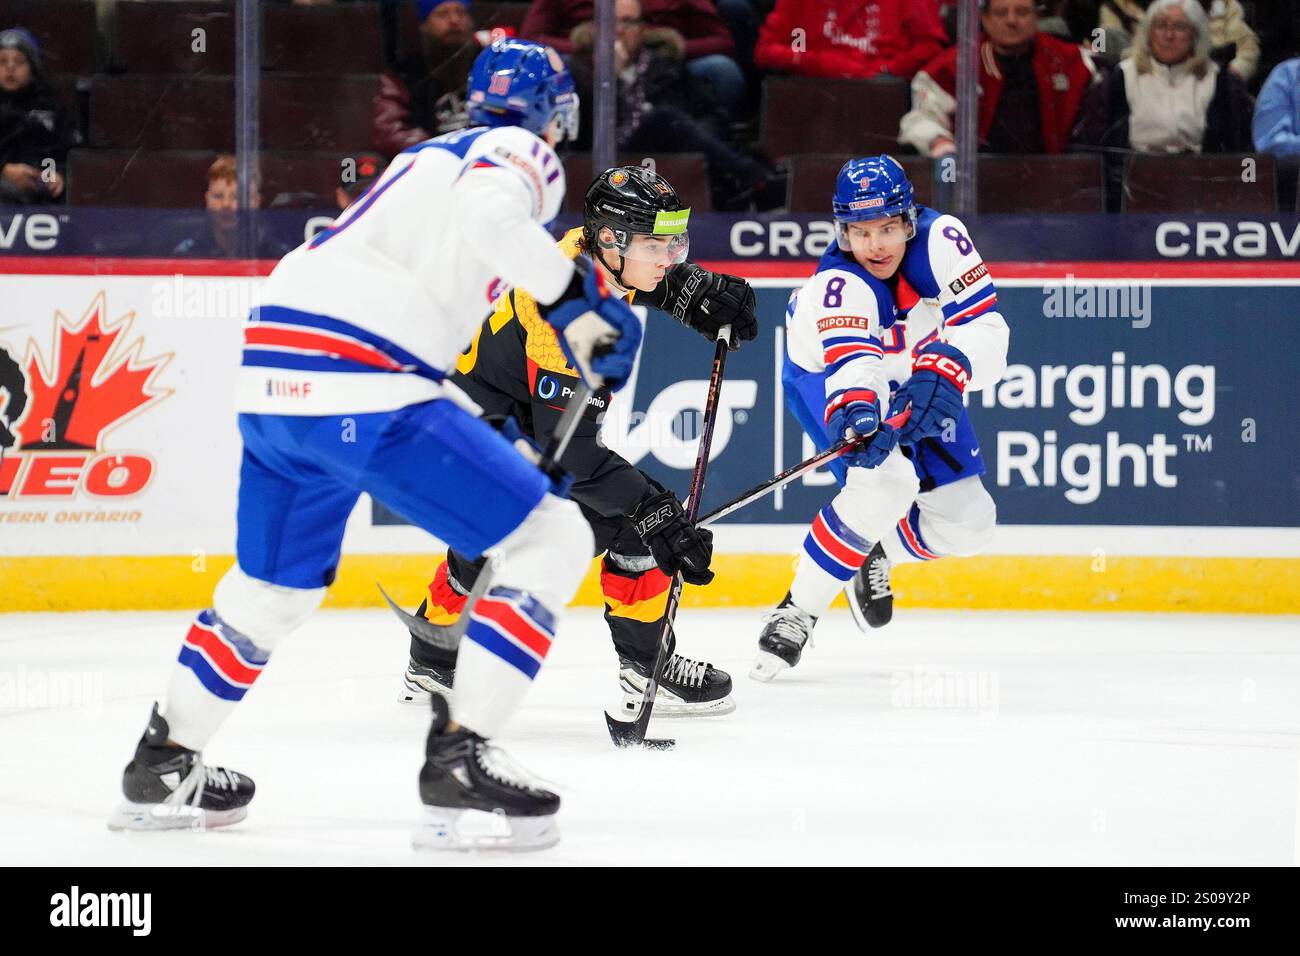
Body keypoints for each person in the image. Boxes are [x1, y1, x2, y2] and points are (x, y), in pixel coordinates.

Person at [109, 39, 649, 853]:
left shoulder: (420, 159)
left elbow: (432, 282)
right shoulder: (518, 151)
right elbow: (489, 218)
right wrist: (575, 301)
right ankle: (460, 761)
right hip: (361, 379)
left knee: (271, 591)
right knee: (553, 535)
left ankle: (163, 761)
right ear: (555, 113)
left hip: (272, 384)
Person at [399, 165, 759, 717]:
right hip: (464, 444)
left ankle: (433, 660)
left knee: (518, 535)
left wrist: (686, 292)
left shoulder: (576, 258)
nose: (671, 258)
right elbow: (571, 451)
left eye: (675, 242)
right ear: (612, 242)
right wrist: (653, 510)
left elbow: (623, 282)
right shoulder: (559, 324)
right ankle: (646, 669)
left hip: (476, 432)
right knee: (626, 519)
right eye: (657, 244)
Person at [752, 155, 1008, 680]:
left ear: (909, 219)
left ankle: (873, 549)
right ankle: (797, 610)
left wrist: (951, 365)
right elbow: (853, 366)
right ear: (842, 231)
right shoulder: (837, 287)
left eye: (888, 227)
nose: (876, 245)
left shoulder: (943, 241)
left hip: (916, 375)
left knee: (971, 523)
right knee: (885, 484)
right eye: (861, 231)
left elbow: (988, 329)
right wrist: (859, 413)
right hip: (828, 378)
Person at [566, 0, 785, 211]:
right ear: (595, 28)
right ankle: (757, 179)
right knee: (663, 119)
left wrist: (692, 137)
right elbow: (580, 133)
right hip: (606, 160)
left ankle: (747, 186)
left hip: (669, 156)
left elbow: (708, 113)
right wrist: (610, 79)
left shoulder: (663, 67)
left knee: (675, 123)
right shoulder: (579, 72)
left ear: (642, 29)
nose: (619, 31)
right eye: (611, 22)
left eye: (628, 22)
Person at [899, 0, 1095, 157]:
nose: (1012, 20)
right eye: (1001, 13)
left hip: (1052, 181)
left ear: (1037, 15)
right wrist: (939, 141)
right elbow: (920, 120)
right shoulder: (954, 65)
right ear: (985, 18)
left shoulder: (1069, 59)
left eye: (1022, 12)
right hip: (978, 183)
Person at [1074, 0, 1254, 156]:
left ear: (1195, 36)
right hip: (1134, 181)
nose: (1169, 35)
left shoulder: (1218, 80)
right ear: (1148, 34)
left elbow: (1236, 149)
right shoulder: (1120, 77)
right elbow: (1096, 147)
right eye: (1160, 26)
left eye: (1179, 27)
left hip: (1200, 180)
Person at [522, 0, 748, 121]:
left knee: (721, 70)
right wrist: (587, 49)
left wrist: (670, 48)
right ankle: (572, 150)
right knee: (558, 67)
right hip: (587, 65)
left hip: (665, 65)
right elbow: (531, 38)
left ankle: (704, 160)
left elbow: (722, 40)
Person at [373, 0, 480, 155]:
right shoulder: (404, 74)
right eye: (443, 14)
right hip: (428, 164)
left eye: (461, 13)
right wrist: (439, 149)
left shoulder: (487, 65)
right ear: (425, 24)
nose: (454, 20)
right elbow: (388, 133)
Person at [754, 0, 948, 80]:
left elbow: (929, 48)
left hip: (884, 94)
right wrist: (817, 62)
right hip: (813, 93)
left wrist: (886, 69)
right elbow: (767, 51)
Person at [1099, 0, 1260, 81]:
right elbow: (1107, 45)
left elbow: (1247, 46)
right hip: (1148, 78)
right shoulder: (1119, 6)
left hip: (1211, 78)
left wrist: (1234, 73)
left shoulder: (1224, 4)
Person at [0, 28, 74, 205]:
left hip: (39, 189)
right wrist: (4, 169)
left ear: (33, 69)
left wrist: (56, 175)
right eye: (2, 62)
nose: (10, 68)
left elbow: (56, 154)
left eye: (19, 61)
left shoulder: (50, 109)